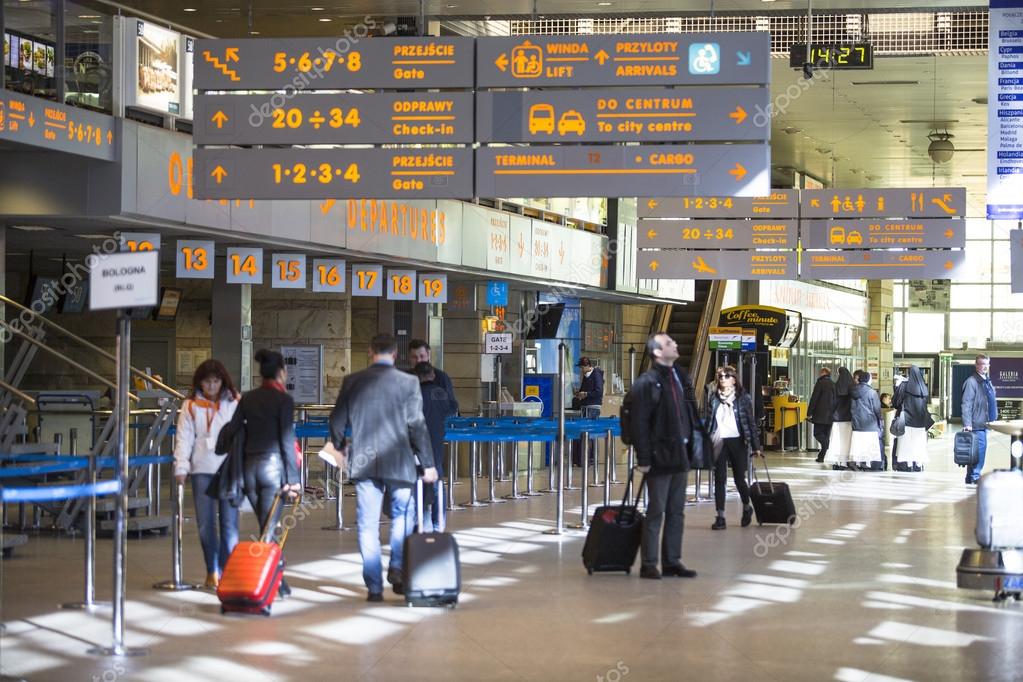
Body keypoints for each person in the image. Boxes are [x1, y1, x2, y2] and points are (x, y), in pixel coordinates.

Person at [330, 334, 437, 602]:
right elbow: (417, 426)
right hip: (399, 462)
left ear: (370, 352)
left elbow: (336, 420)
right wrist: (428, 465)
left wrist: (341, 445)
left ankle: (374, 587)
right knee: (403, 515)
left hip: (365, 463)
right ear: (395, 355)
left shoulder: (352, 381)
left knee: (367, 523)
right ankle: (397, 567)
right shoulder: (409, 382)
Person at [216, 349, 302, 597]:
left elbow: (232, 428)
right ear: (281, 372)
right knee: (269, 529)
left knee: (267, 527)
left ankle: (277, 581)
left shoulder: (249, 399)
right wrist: (293, 480)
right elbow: (286, 440)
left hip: (249, 470)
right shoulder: (284, 401)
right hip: (273, 471)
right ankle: (271, 581)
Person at [631, 333, 698, 580]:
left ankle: (672, 561)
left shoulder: (679, 376)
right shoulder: (647, 382)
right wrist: (644, 458)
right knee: (656, 510)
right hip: (659, 456)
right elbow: (639, 422)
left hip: (679, 454)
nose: (676, 344)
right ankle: (649, 563)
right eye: (670, 343)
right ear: (658, 352)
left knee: (676, 511)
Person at [173, 360, 240, 589]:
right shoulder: (190, 406)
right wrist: (181, 467)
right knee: (205, 524)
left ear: (223, 382)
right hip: (202, 469)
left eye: (216, 381)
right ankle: (212, 569)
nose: (211, 386)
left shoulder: (234, 403)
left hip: (229, 469)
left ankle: (226, 570)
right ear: (200, 383)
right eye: (207, 381)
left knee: (230, 524)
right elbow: (184, 438)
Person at [705, 365, 761, 530]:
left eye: (726, 376)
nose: (722, 379)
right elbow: (709, 421)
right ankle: (720, 516)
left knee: (739, 479)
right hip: (719, 441)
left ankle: (746, 506)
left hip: (737, 441)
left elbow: (750, 423)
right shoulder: (713, 398)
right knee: (719, 479)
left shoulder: (743, 398)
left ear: (734, 379)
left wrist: (756, 446)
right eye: (720, 376)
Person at [409, 358, 458, 530]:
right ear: (432, 375)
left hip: (415, 445)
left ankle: (420, 524)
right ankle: (438, 524)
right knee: (437, 482)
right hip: (436, 442)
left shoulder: (412, 395)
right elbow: (452, 410)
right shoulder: (441, 393)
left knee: (416, 484)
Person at [961, 354, 996, 484]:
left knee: (975, 451)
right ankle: (975, 476)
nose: (985, 366)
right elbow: (966, 403)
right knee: (979, 451)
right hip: (976, 424)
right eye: (982, 364)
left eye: (987, 364)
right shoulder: (972, 382)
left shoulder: (986, 380)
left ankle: (970, 476)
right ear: (976, 365)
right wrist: (967, 423)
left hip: (984, 423)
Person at [893, 365, 932, 472]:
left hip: (907, 421)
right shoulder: (924, 388)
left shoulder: (904, 386)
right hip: (920, 423)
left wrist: (897, 386)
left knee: (906, 444)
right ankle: (918, 465)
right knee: (918, 444)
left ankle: (908, 465)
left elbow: (896, 402)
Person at [572, 357, 604, 464]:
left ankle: (592, 458)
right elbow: (583, 390)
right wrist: (578, 393)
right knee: (586, 433)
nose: (581, 370)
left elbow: (599, 392)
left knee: (591, 433)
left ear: (587, 366)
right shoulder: (586, 376)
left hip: (593, 407)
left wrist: (586, 394)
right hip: (586, 407)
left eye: (582, 367)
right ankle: (585, 457)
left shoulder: (596, 375)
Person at [849, 370, 883, 471]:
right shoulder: (872, 392)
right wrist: (880, 421)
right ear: (868, 380)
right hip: (870, 424)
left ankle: (858, 463)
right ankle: (868, 464)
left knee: (859, 444)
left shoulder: (853, 391)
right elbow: (877, 409)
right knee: (869, 444)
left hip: (857, 423)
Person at [826, 367, 854, 470]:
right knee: (847, 441)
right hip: (849, 419)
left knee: (837, 440)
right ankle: (846, 461)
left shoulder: (835, 386)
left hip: (838, 419)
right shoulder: (852, 387)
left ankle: (837, 462)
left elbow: (831, 402)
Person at [807, 367, 836, 464]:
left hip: (820, 414)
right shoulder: (833, 384)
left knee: (817, 433)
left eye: (820, 372)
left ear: (824, 373)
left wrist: (809, 413)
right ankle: (821, 457)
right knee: (826, 435)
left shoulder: (820, 383)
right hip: (830, 414)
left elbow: (814, 398)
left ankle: (826, 445)